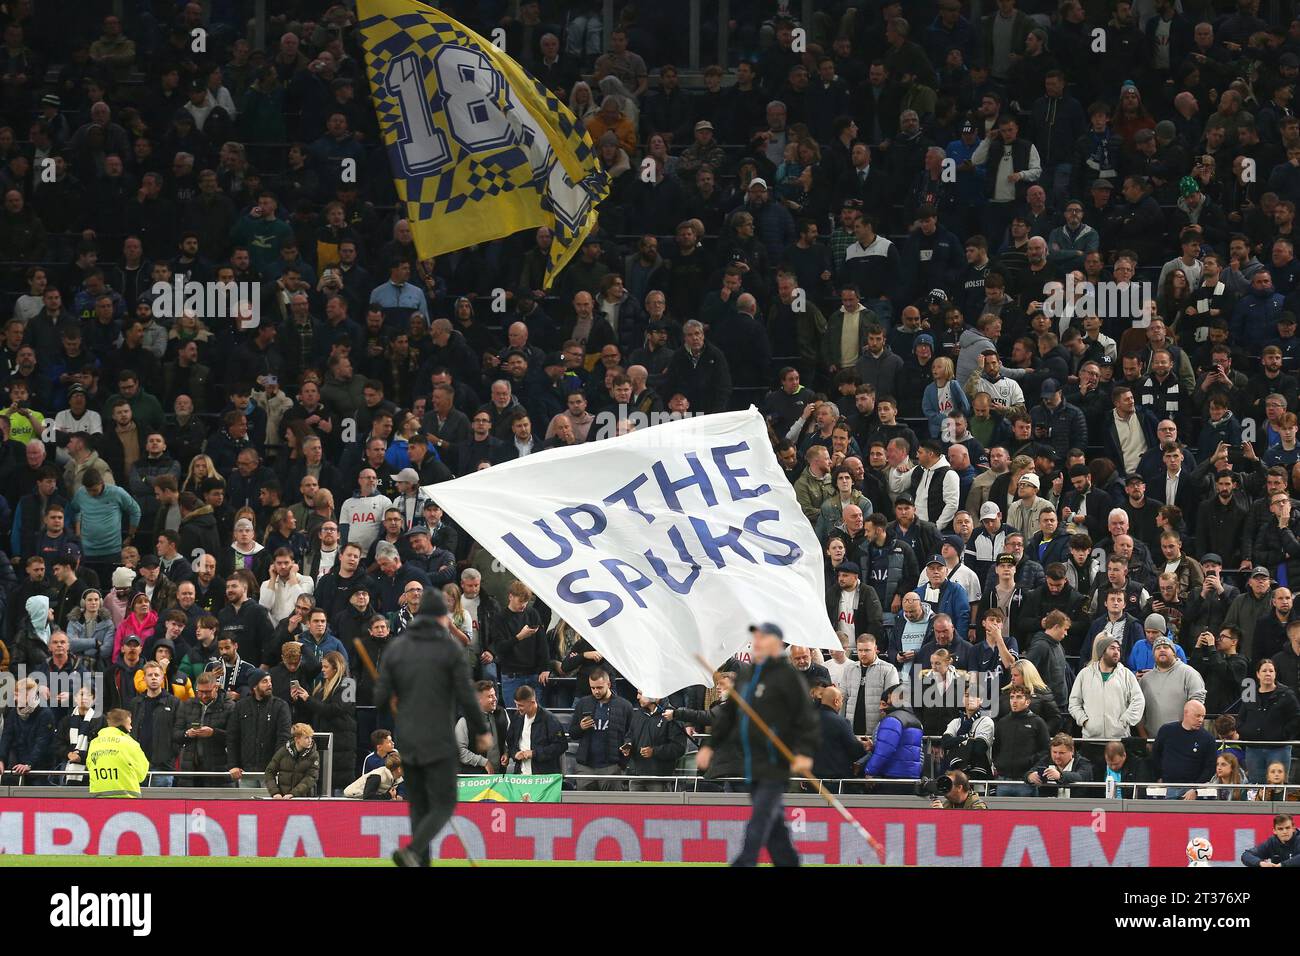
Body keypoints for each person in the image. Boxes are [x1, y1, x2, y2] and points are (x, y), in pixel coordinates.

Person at [377, 589, 488, 866]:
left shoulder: (397, 647)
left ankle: (417, 859)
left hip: (408, 739)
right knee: (444, 804)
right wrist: (482, 730)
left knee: (419, 808)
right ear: (441, 617)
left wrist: (394, 696)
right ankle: (413, 851)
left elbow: (380, 699)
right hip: (438, 739)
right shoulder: (449, 649)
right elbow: (466, 694)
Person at [697, 623, 819, 867]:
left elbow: (807, 719)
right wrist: (710, 746)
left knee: (758, 824)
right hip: (749, 762)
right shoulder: (747, 675)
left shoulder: (788, 677)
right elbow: (728, 716)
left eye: (762, 638)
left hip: (775, 763)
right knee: (776, 836)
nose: (757, 642)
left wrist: (805, 753)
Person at [569, 669, 634, 790]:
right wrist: (581, 728)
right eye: (592, 688)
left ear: (608, 684)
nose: (596, 691)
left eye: (599, 687)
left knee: (611, 806)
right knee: (583, 806)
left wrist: (626, 752)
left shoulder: (625, 706)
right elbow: (572, 733)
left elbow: (631, 733)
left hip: (612, 766)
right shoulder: (583, 703)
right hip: (585, 766)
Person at [226, 672, 292, 790]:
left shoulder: (280, 706)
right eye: (264, 681)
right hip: (246, 771)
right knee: (247, 808)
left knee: (270, 808)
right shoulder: (241, 706)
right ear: (254, 686)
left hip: (271, 772)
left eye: (270, 681)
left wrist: (276, 765)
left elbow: (283, 738)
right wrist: (233, 765)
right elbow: (232, 737)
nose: (269, 684)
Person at [1150, 700, 1217, 800]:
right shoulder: (1166, 731)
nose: (1201, 720)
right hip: (1167, 787)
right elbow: (1156, 754)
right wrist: (1158, 777)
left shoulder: (1208, 738)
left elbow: (1210, 767)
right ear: (1186, 713)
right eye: (1197, 716)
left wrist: (1195, 789)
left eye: (1203, 716)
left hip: (1191, 791)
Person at [173, 671, 231, 787]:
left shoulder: (229, 707)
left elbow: (234, 737)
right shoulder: (186, 705)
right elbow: (175, 734)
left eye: (207, 692)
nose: (204, 695)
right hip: (190, 769)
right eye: (200, 692)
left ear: (216, 688)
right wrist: (187, 734)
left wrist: (213, 733)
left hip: (218, 769)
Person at [621, 691, 688, 791]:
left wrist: (654, 751)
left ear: (654, 694)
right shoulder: (638, 714)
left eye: (640, 693)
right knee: (634, 807)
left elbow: (679, 747)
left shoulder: (671, 715)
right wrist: (628, 744)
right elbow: (630, 735)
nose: (637, 697)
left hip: (659, 778)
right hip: (636, 775)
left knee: (658, 807)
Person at [865, 682, 924, 783]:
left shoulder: (893, 719)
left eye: (889, 698)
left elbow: (885, 749)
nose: (887, 701)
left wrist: (870, 771)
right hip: (912, 777)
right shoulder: (915, 720)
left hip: (891, 777)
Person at [85, 708, 151, 798]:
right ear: (122, 726)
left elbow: (89, 765)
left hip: (98, 796)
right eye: (129, 724)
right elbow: (141, 774)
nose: (131, 727)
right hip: (127, 798)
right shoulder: (130, 743)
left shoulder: (94, 743)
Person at [505, 684, 567, 774]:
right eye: (516, 704)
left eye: (521, 705)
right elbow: (510, 742)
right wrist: (515, 753)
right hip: (521, 774)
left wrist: (534, 753)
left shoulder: (550, 720)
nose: (517, 708)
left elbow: (561, 746)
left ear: (532, 702)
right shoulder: (517, 717)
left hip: (543, 777)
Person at [456, 680, 509, 775]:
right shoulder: (464, 721)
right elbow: (459, 751)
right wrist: (483, 762)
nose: (495, 699)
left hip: (500, 775)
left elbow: (509, 738)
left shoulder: (503, 714)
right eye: (490, 696)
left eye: (494, 695)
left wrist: (506, 752)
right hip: (475, 778)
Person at [264, 722, 321, 798]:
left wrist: (293, 794)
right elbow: (269, 771)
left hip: (304, 799)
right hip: (283, 798)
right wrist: (275, 792)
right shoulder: (283, 751)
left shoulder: (314, 755)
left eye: (311, 737)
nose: (310, 740)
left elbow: (311, 777)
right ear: (297, 739)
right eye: (306, 737)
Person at [1027, 733, 1093, 798]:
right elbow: (1029, 773)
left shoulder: (1083, 762)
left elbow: (1081, 777)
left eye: (1062, 753)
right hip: (1049, 804)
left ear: (1072, 751)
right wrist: (1030, 776)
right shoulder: (1046, 760)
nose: (1057, 756)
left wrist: (1060, 776)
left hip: (1077, 805)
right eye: (1054, 752)